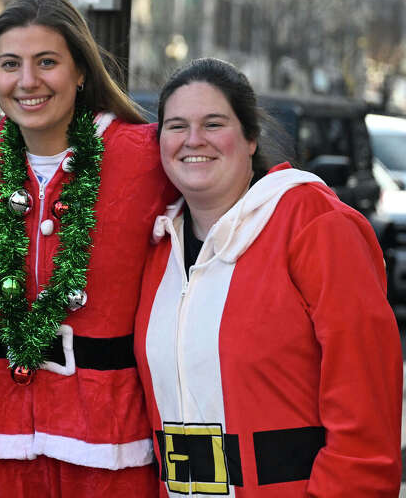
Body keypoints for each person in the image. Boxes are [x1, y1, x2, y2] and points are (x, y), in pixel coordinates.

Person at [0, 0, 174, 498]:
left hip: (108, 442)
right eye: (10, 64)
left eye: (47, 62)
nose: (27, 81)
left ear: (81, 71)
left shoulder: (145, 152)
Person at [134, 58, 402, 496]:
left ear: (251, 137)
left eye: (214, 123)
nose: (193, 140)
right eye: (176, 126)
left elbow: (366, 422)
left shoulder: (315, 226)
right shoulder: (154, 246)